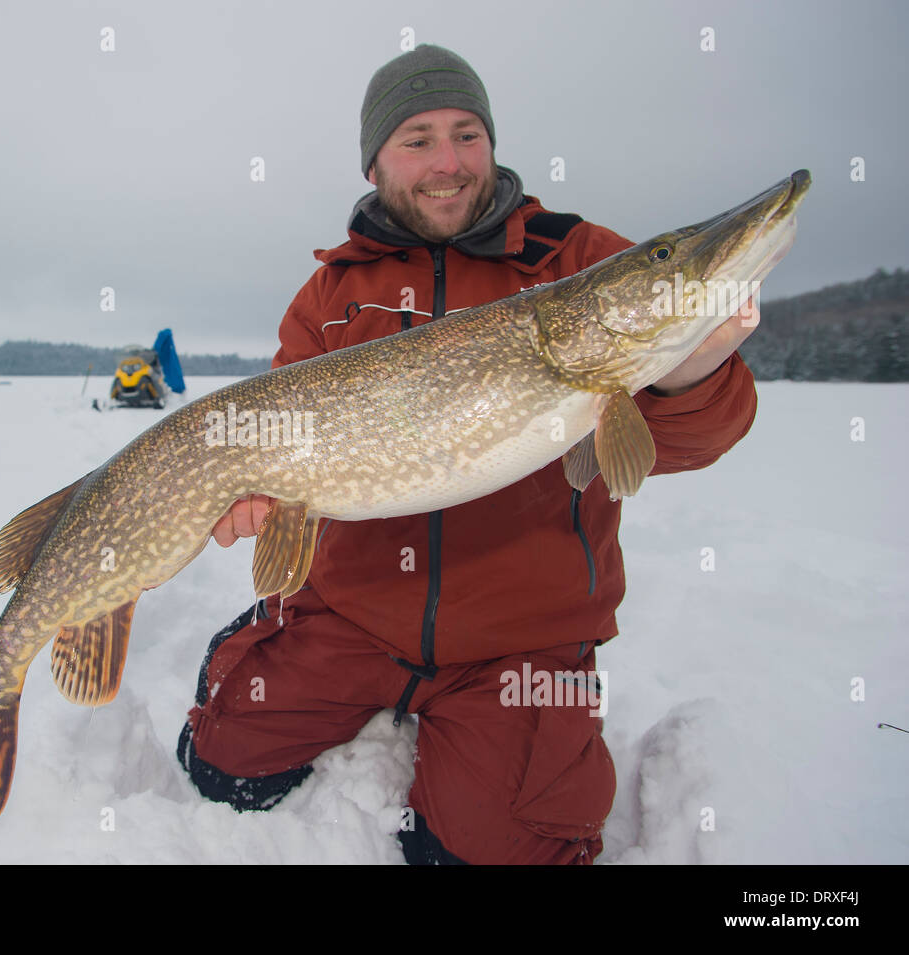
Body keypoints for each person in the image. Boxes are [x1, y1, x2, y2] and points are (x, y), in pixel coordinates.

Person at [176, 44, 758, 864]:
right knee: (220, 765)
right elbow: (286, 446)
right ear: (376, 162)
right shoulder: (330, 296)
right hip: (356, 615)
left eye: (467, 134)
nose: (447, 162)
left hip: (520, 639)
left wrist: (693, 367)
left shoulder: (578, 260)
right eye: (417, 139)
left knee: (487, 855)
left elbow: (700, 438)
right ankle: (274, 637)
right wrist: (261, 498)